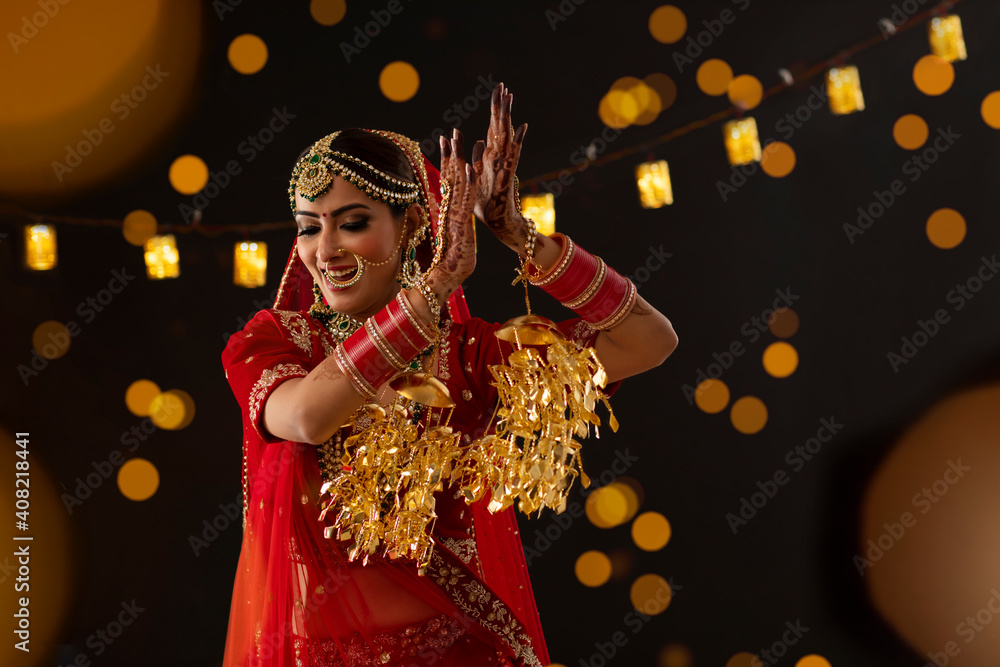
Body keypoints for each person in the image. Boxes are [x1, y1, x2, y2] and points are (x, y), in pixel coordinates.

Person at [220, 84, 679, 666]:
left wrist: (523, 238)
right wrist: (430, 291)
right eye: (310, 227)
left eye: (352, 222)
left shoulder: (467, 356)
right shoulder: (276, 342)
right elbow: (307, 416)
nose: (324, 249)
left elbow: (649, 340)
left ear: (411, 223)